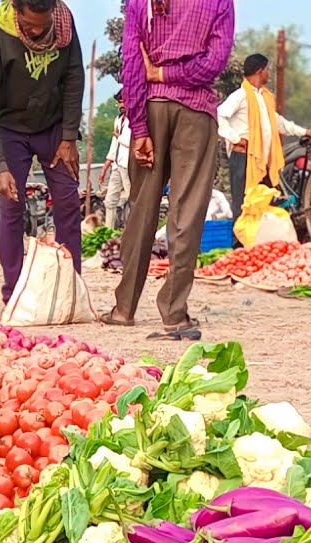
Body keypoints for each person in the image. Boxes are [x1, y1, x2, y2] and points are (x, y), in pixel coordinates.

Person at [102, 0, 235, 341]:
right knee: (186, 212)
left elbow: (132, 63)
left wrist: (140, 126)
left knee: (140, 210)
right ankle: (174, 314)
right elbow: (214, 64)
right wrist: (171, 74)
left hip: (151, 107)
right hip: (196, 112)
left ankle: (123, 309)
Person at [0, 0, 85, 305]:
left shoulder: (64, 24)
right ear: (17, 10)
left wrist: (68, 137)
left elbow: (74, 78)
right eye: (30, 25)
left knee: (67, 202)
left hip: (53, 129)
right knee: (11, 205)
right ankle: (14, 293)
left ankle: (70, 288)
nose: (38, 31)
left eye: (44, 23)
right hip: (10, 130)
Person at [217, 54, 311, 214]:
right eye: (267, 69)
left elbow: (277, 122)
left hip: (263, 158)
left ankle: (260, 238)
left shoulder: (264, 97)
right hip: (244, 157)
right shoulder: (241, 95)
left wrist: (304, 132)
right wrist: (235, 138)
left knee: (264, 202)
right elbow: (219, 115)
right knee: (244, 203)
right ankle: (240, 239)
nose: (269, 73)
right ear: (259, 71)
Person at [98, 91, 132, 230]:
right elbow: (114, 145)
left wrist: (119, 136)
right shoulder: (118, 120)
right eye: (119, 102)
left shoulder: (134, 119)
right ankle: (108, 230)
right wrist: (105, 167)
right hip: (117, 165)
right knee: (110, 200)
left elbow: (132, 142)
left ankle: (131, 229)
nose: (121, 105)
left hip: (128, 164)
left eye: (124, 101)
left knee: (131, 198)